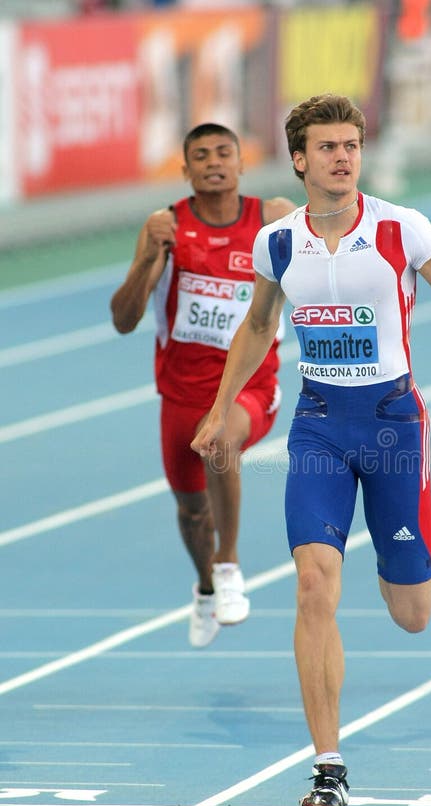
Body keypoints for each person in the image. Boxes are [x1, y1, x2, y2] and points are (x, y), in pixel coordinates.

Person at [191, 95, 431, 806]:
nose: (342, 157)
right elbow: (260, 323)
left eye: (351, 145)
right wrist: (218, 405)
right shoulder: (280, 241)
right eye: (326, 147)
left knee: (411, 613)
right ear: (298, 159)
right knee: (311, 584)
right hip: (320, 426)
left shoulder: (401, 227)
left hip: (393, 428)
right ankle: (327, 765)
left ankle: (401, 556)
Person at [110, 123, 294, 649]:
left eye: (224, 153)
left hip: (248, 388)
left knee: (221, 442)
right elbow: (123, 320)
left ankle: (230, 562)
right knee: (192, 512)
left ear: (241, 164)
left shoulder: (271, 219)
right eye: (200, 155)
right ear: (186, 170)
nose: (213, 162)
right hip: (180, 394)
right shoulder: (164, 226)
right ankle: (207, 584)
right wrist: (149, 259)